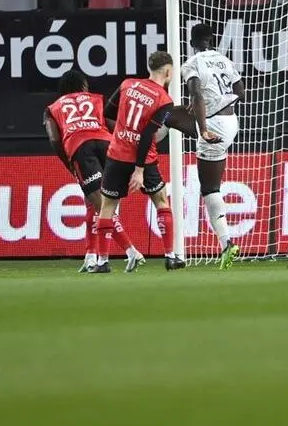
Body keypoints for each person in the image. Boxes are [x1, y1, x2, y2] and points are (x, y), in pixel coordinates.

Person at [98, 52, 185, 273]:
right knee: (161, 200)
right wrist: (139, 170)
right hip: (144, 160)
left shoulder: (128, 84)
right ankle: (170, 256)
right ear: (168, 72)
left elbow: (107, 112)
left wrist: (121, 134)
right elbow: (147, 135)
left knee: (107, 206)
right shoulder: (164, 99)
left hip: (116, 154)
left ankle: (102, 262)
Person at [181, 23, 245, 270]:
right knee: (174, 116)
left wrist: (205, 127)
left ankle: (227, 243)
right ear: (212, 39)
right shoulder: (224, 60)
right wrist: (219, 101)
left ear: (191, 41)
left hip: (214, 125)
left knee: (209, 188)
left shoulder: (191, 64)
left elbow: (197, 94)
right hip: (231, 119)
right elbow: (241, 91)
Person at [44, 70, 115, 273]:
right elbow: (113, 125)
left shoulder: (52, 108)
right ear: (83, 86)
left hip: (81, 148)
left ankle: (122, 253)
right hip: (107, 145)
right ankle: (91, 255)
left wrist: (69, 162)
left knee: (101, 205)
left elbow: (55, 140)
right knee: (95, 204)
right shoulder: (98, 99)